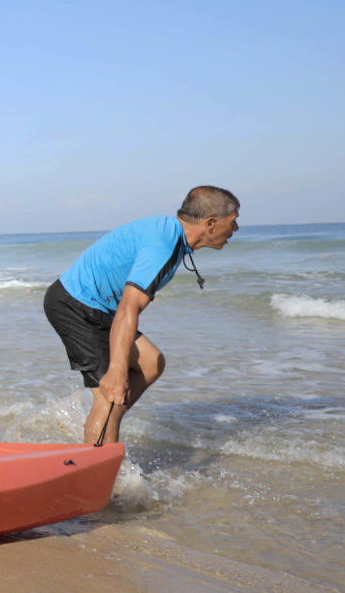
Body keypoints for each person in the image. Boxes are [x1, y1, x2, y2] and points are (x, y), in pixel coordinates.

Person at [43, 185, 241, 445]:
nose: (236, 229)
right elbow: (129, 307)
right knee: (110, 395)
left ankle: (102, 428)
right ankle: (99, 461)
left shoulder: (171, 235)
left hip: (96, 308)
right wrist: (117, 372)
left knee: (151, 362)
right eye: (233, 221)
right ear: (211, 223)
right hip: (77, 306)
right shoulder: (163, 246)